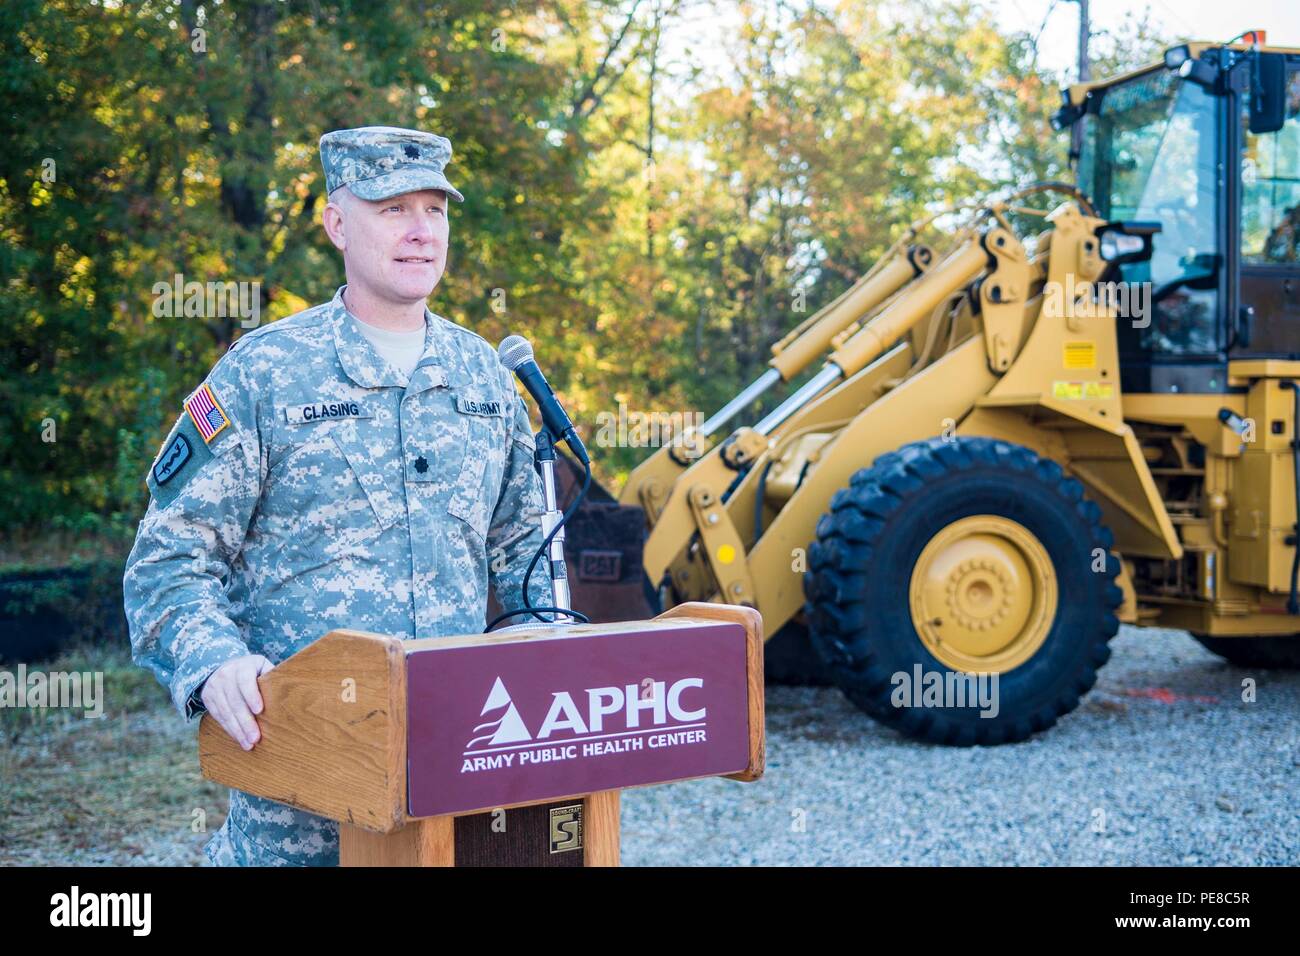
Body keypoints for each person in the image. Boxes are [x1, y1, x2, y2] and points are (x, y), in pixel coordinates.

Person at [123, 126, 554, 866]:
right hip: (300, 794)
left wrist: (533, 635)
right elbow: (168, 563)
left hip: (456, 778)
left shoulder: (484, 378)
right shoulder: (262, 375)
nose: (422, 231)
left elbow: (523, 549)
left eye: (436, 210)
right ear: (335, 223)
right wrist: (214, 663)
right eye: (392, 209)